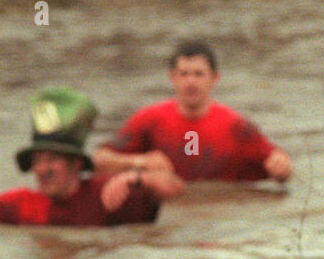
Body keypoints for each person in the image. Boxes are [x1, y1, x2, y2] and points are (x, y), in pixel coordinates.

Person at [0, 88, 183, 235]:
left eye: (52, 160)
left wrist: (135, 177)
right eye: (36, 161)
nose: (41, 169)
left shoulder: (108, 194)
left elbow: (176, 188)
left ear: (76, 164)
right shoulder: (23, 205)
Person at [93, 40, 293, 184]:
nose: (191, 82)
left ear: (214, 78)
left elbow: (278, 166)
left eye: (198, 74)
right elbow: (98, 160)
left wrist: (283, 167)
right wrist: (140, 162)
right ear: (172, 77)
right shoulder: (149, 120)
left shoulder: (235, 126)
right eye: (184, 74)